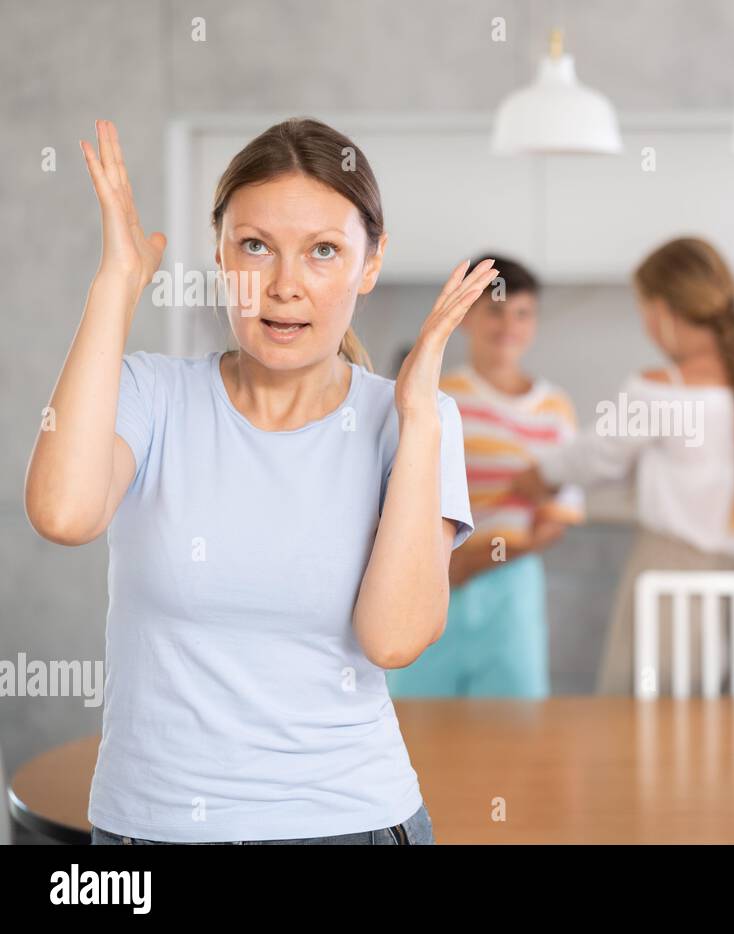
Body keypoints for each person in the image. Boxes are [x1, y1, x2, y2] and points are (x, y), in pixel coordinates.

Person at [25, 118, 494, 844]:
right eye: (255, 247)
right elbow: (63, 513)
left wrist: (418, 415)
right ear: (218, 252)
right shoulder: (151, 396)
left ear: (370, 264)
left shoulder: (415, 420)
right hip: (149, 831)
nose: (283, 287)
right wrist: (117, 284)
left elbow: (394, 638)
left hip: (352, 824)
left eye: (324, 253)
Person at [512, 237, 734, 695]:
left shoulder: (659, 389)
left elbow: (594, 456)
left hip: (668, 582)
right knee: (713, 732)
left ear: (663, 312)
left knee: (642, 731)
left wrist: (537, 476)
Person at [387, 256, 583, 699]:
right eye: (495, 309)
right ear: (468, 315)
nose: (508, 324)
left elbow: (555, 519)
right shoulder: (435, 397)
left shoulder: (555, 409)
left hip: (508, 588)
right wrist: (445, 567)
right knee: (418, 720)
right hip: (432, 578)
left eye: (522, 313)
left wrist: (471, 564)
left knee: (513, 731)